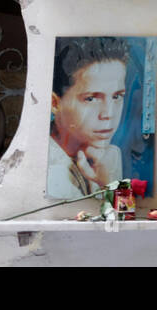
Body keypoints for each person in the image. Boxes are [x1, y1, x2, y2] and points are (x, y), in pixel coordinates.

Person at [47, 37, 130, 199]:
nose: (108, 114)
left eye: (117, 96)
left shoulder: (108, 156)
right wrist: (110, 184)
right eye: (91, 99)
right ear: (55, 103)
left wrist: (108, 181)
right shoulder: (51, 171)